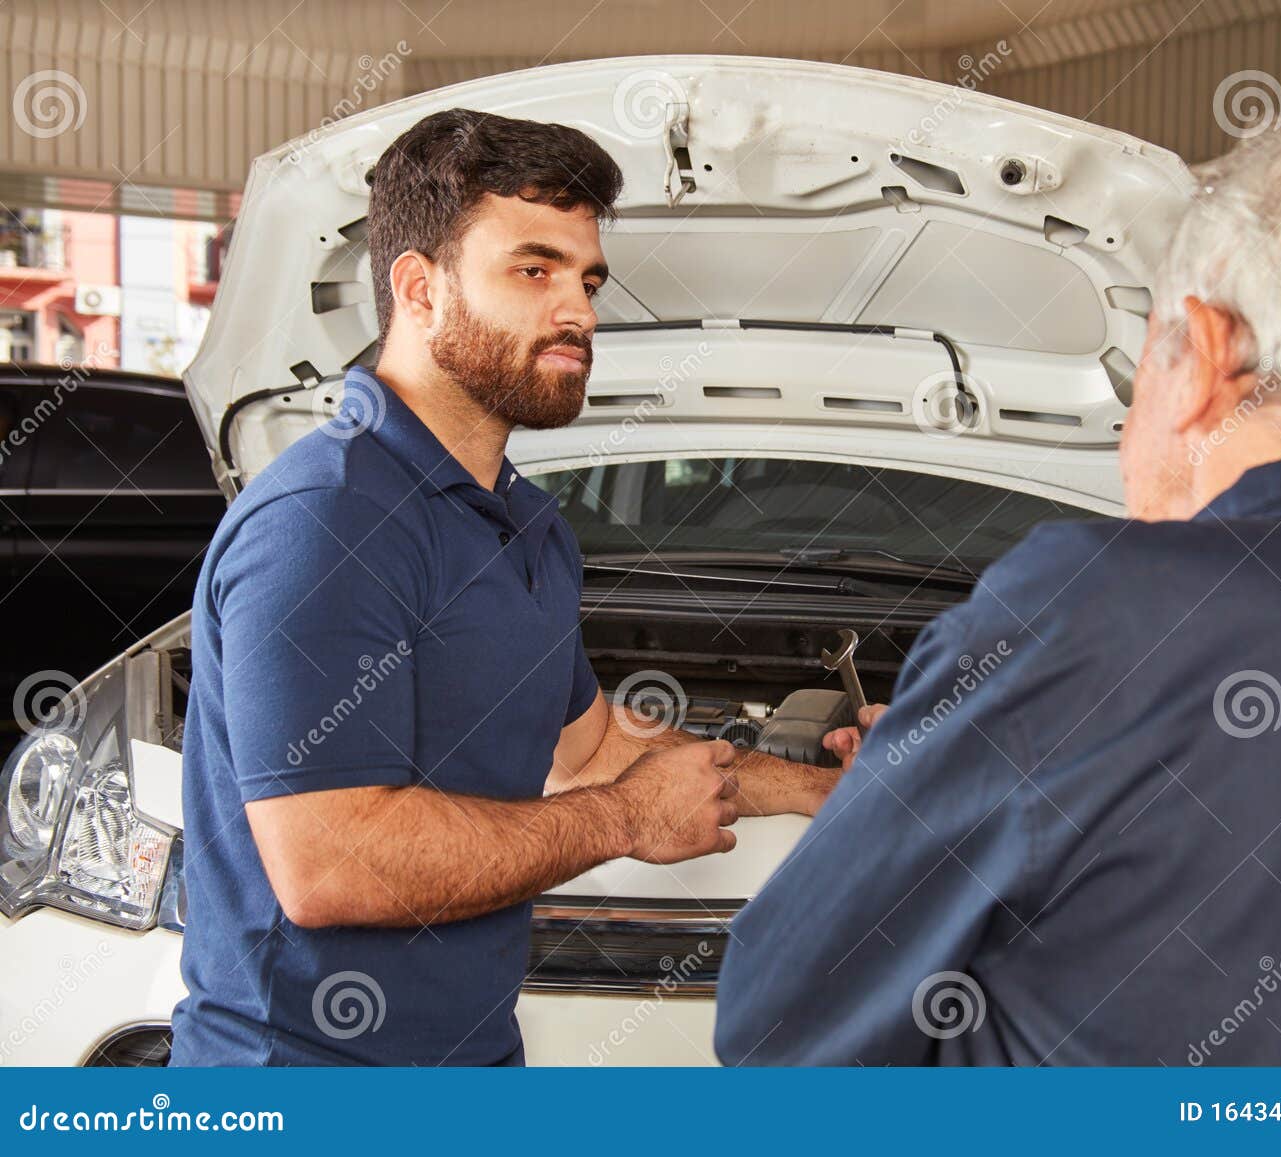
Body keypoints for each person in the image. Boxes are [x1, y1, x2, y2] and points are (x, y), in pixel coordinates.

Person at [713, 101, 1281, 1066]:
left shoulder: (1096, 608)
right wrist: (950, 775)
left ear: (1203, 351)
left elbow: (778, 1022)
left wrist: (902, 800)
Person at [171, 110, 837, 1066]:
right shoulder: (324, 522)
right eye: (535, 270)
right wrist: (622, 822)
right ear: (419, 289)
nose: (580, 311)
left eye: (588, 279)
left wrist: (830, 787)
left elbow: (596, 746)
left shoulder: (527, 527)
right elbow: (328, 862)